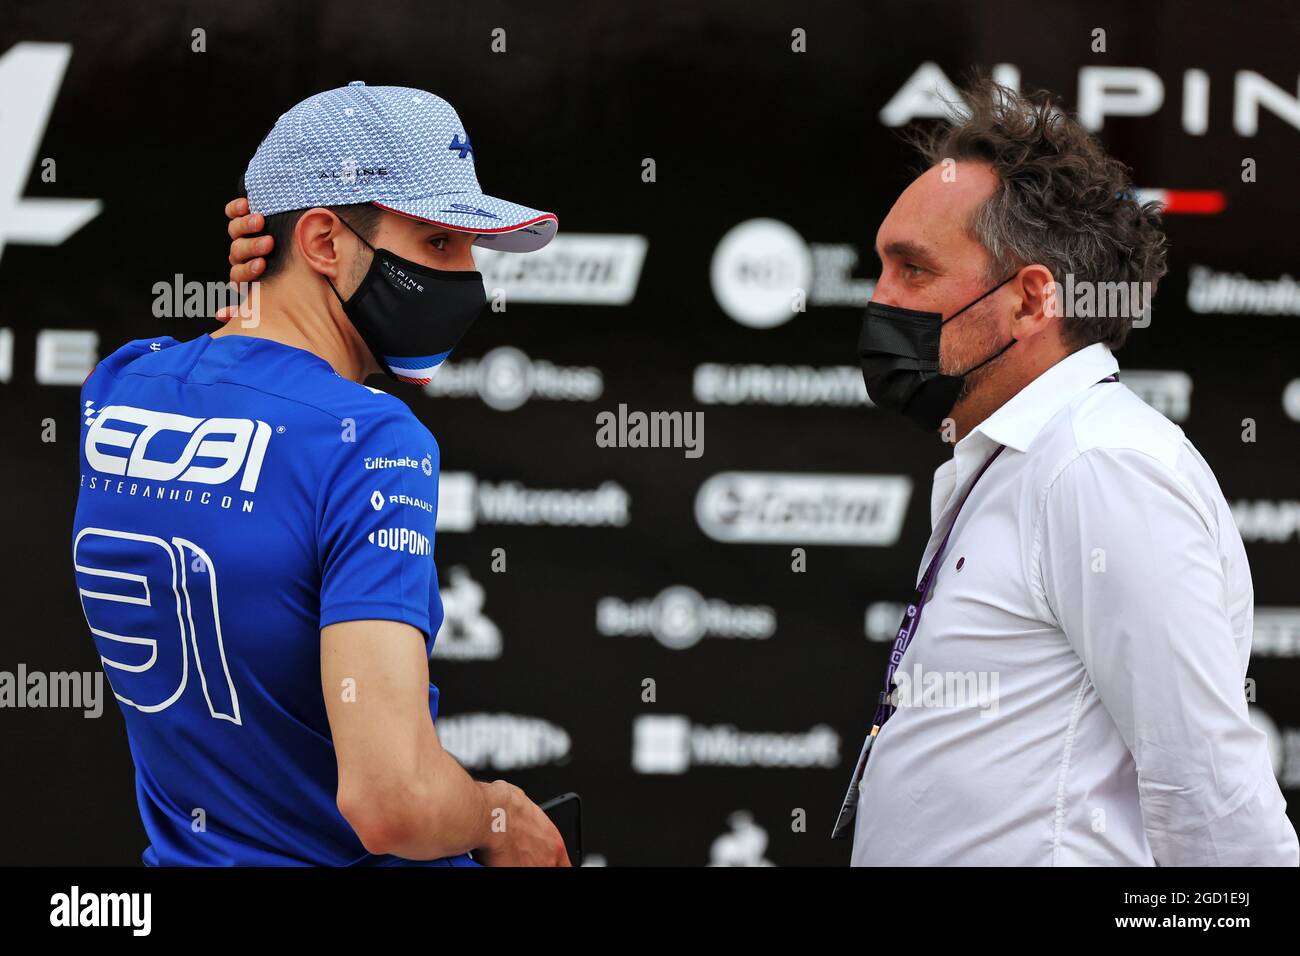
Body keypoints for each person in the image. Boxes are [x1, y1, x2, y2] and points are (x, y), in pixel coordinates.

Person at [73, 81, 568, 866]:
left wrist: (263, 308)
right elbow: (393, 804)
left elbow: (242, 375)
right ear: (326, 242)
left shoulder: (122, 386)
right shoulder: (370, 441)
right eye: (439, 244)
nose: (469, 278)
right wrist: (498, 813)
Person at [833, 77, 1299, 865]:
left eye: (912, 270)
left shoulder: (1099, 466)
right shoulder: (1015, 461)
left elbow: (1212, 795)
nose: (878, 299)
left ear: (1029, 301)